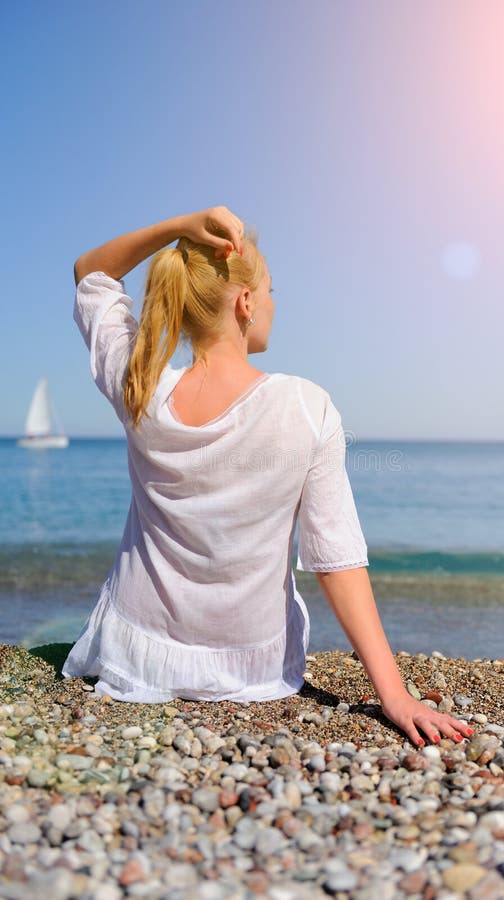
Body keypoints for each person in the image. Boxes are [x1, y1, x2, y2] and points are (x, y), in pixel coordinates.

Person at [61, 206, 474, 750]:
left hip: (139, 657)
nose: (275, 304)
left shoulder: (140, 384)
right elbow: (336, 559)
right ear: (246, 302)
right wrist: (392, 694)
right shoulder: (305, 407)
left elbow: (91, 274)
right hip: (254, 668)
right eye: (272, 290)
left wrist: (177, 227)